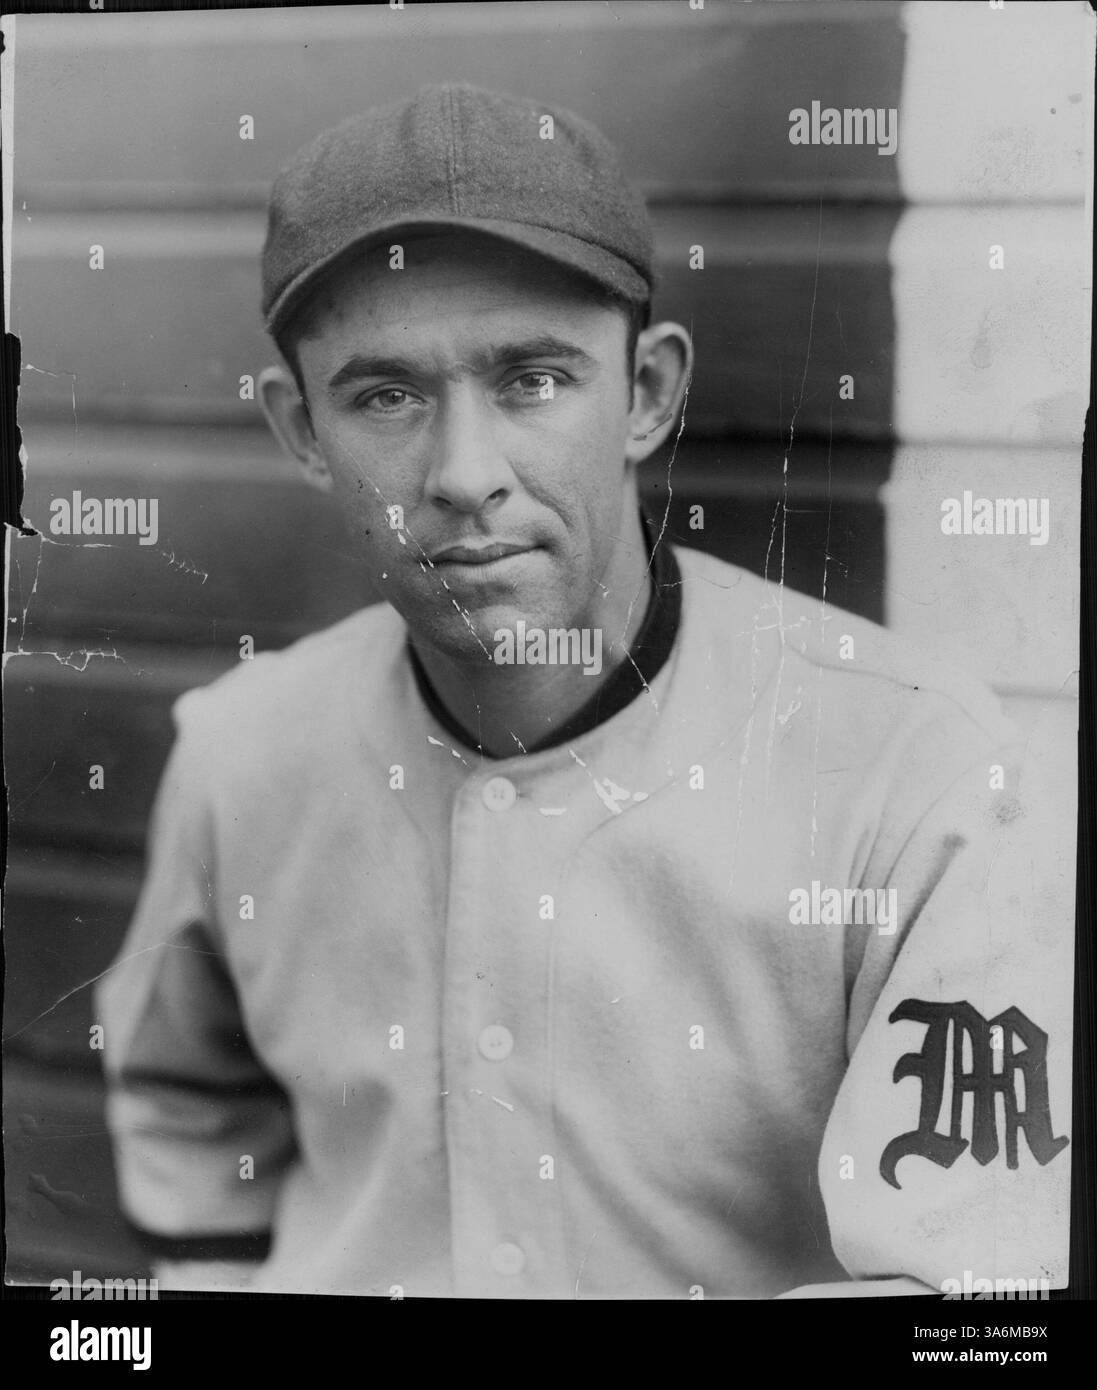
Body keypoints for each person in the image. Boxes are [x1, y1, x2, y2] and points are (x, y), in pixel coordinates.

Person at [97, 84, 1072, 1299]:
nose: (463, 475)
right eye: (384, 395)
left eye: (533, 378)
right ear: (301, 430)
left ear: (647, 394)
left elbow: (964, 1301)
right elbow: (187, 1122)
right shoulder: (243, 750)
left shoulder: (915, 771)